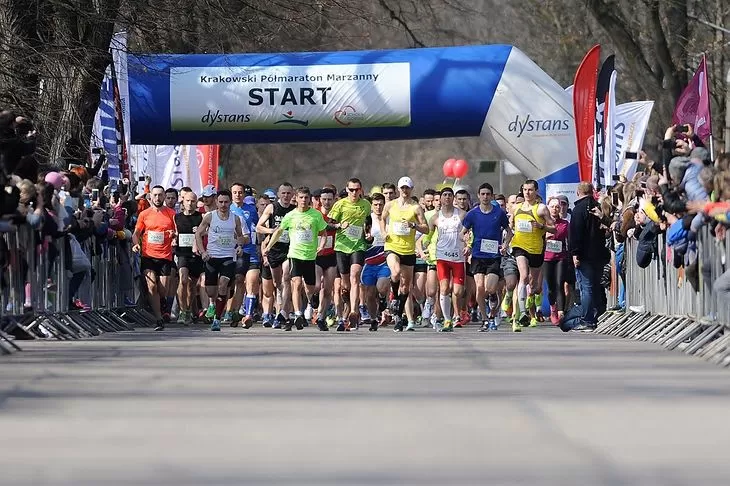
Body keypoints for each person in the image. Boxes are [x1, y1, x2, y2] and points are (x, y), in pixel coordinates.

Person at [263, 186, 327, 331]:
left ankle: (313, 298)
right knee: (296, 283)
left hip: (310, 256)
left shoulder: (316, 215)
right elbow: (279, 231)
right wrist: (268, 246)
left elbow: (323, 233)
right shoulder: (290, 215)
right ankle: (298, 314)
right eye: (301, 197)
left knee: (311, 288)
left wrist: (321, 246)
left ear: (309, 199)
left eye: (306, 198)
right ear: (296, 199)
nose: (303, 200)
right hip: (294, 255)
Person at [380, 176, 429, 332]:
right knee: (394, 273)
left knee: (406, 288)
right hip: (392, 246)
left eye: (407, 188)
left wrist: (413, 225)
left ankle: (399, 317)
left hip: (408, 250)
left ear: (411, 189)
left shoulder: (415, 208)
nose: (405, 191)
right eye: (402, 188)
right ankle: (393, 297)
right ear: (398, 189)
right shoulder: (390, 205)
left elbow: (426, 228)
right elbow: (382, 219)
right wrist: (383, 232)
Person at [195, 190, 248, 331]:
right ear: (216, 202)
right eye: (221, 202)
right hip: (212, 257)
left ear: (230, 202)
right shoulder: (209, 217)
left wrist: (240, 246)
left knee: (223, 284)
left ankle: (217, 320)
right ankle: (219, 300)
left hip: (228, 257)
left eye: (226, 202)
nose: (223, 205)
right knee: (211, 292)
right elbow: (198, 234)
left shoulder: (235, 218)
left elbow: (241, 236)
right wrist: (202, 251)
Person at [462, 182, 512, 332]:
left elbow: (509, 232)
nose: (485, 197)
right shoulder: (472, 214)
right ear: (478, 195)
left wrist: (504, 245)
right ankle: (485, 319)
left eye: (488, 194)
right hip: (477, 255)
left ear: (491, 196)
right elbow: (463, 233)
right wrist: (467, 245)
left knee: (490, 288)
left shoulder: (499, 213)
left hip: (493, 256)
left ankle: (493, 299)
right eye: (482, 194)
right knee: (480, 288)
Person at [510, 179, 555, 332]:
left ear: (536, 191)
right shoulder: (516, 208)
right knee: (523, 276)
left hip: (536, 249)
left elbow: (554, 228)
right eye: (525, 190)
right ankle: (522, 312)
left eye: (530, 190)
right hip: (519, 246)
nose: (527, 193)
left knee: (534, 285)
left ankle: (530, 308)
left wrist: (541, 226)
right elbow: (511, 224)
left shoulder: (541, 209)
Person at [327, 177, 371, 330]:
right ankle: (348, 305)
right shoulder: (340, 204)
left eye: (357, 189)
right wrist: (339, 225)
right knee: (345, 284)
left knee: (355, 276)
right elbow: (328, 225)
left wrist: (368, 234)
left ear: (361, 190)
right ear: (346, 190)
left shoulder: (366, 204)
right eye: (351, 189)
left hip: (358, 246)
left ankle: (354, 311)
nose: (354, 192)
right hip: (341, 247)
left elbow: (368, 221)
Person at [132, 185, 177, 331]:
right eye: (155, 195)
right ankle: (158, 318)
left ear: (164, 197)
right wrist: (135, 244)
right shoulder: (144, 214)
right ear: (151, 197)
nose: (157, 198)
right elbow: (136, 233)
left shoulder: (171, 213)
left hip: (165, 256)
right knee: (152, 286)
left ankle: (162, 304)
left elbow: (177, 232)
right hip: (148, 255)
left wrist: (174, 235)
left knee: (162, 289)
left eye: (160, 195)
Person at [569, 182, 610, 330]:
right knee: (596, 286)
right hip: (599, 253)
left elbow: (576, 233)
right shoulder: (599, 207)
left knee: (586, 287)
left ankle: (587, 320)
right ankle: (598, 315)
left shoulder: (578, 209)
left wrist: (575, 253)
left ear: (578, 192)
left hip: (585, 254)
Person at [256, 183, 294, 328]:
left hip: (289, 250)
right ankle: (280, 310)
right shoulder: (272, 208)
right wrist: (272, 231)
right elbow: (258, 227)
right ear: (279, 194)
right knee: (278, 284)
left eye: (289, 193)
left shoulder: (294, 210)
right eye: (283, 193)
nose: (286, 196)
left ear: (292, 195)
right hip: (273, 249)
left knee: (287, 278)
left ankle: (283, 313)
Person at [429, 187, 467, 332]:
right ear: (441, 198)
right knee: (444, 288)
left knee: (457, 291)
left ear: (454, 198)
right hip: (442, 256)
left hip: (457, 257)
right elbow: (429, 234)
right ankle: (447, 320)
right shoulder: (435, 217)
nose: (447, 198)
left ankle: (451, 315)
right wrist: (424, 244)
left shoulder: (462, 215)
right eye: (444, 195)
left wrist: (468, 245)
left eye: (449, 195)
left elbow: (469, 232)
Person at [227, 183, 257, 327]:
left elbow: (258, 228)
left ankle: (248, 315)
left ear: (244, 194)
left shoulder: (251, 209)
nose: (238, 195)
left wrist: (262, 245)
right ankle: (236, 311)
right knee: (238, 281)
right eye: (235, 192)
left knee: (251, 281)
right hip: (234, 252)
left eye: (240, 192)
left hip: (251, 251)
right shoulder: (227, 209)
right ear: (231, 194)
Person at [360, 193, 390, 332]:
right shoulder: (367, 220)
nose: (378, 207)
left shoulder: (389, 219)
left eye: (381, 204)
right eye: (376, 205)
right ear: (371, 206)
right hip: (370, 261)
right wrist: (366, 238)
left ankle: (383, 298)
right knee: (370, 295)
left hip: (385, 260)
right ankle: (373, 319)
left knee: (381, 287)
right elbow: (362, 239)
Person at [174, 190, 203, 325]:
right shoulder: (177, 217)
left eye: (193, 201)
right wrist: (173, 238)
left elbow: (207, 232)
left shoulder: (201, 217)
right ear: (183, 202)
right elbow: (174, 231)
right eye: (187, 201)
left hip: (196, 255)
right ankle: (182, 310)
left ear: (196, 203)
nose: (190, 203)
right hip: (182, 253)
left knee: (192, 285)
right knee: (183, 280)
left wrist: (200, 231)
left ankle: (188, 310)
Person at [543, 196, 572, 324]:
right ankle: (553, 308)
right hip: (547, 257)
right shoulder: (543, 224)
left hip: (561, 256)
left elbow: (569, 241)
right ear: (548, 208)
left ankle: (561, 313)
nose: (555, 209)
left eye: (557, 207)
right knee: (550, 287)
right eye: (552, 207)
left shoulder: (565, 224)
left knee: (560, 283)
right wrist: (545, 237)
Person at [314, 187, 339, 331]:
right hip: (317, 254)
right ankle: (313, 300)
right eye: (324, 199)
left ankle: (321, 317)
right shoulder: (315, 214)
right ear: (320, 200)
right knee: (317, 286)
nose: (327, 202)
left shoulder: (337, 214)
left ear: (334, 199)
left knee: (328, 289)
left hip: (331, 254)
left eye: (330, 199)